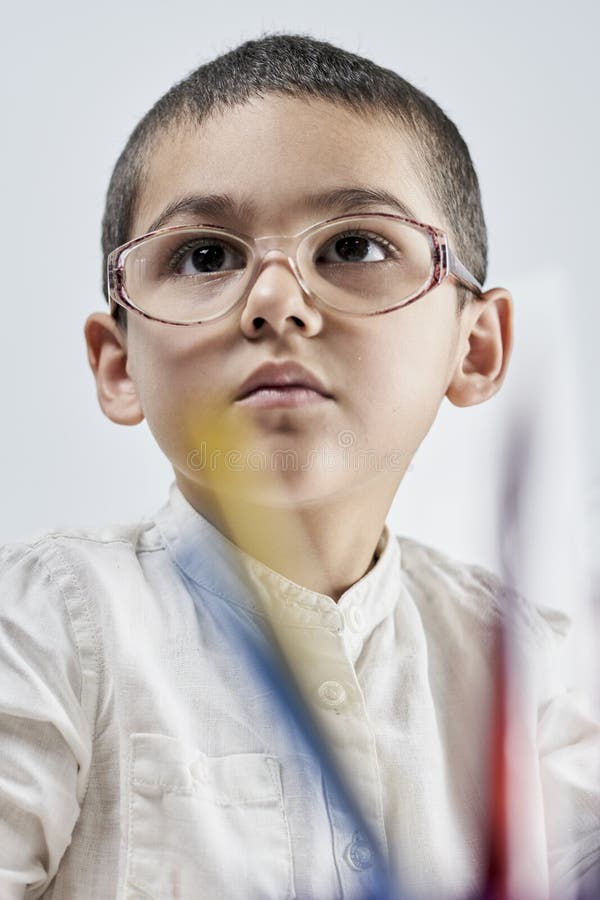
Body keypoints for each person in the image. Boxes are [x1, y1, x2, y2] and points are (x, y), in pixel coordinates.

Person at [0, 32, 598, 900]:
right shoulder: (45, 627)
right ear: (119, 364)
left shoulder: (534, 677)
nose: (276, 303)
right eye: (206, 255)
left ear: (475, 348)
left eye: (354, 247)